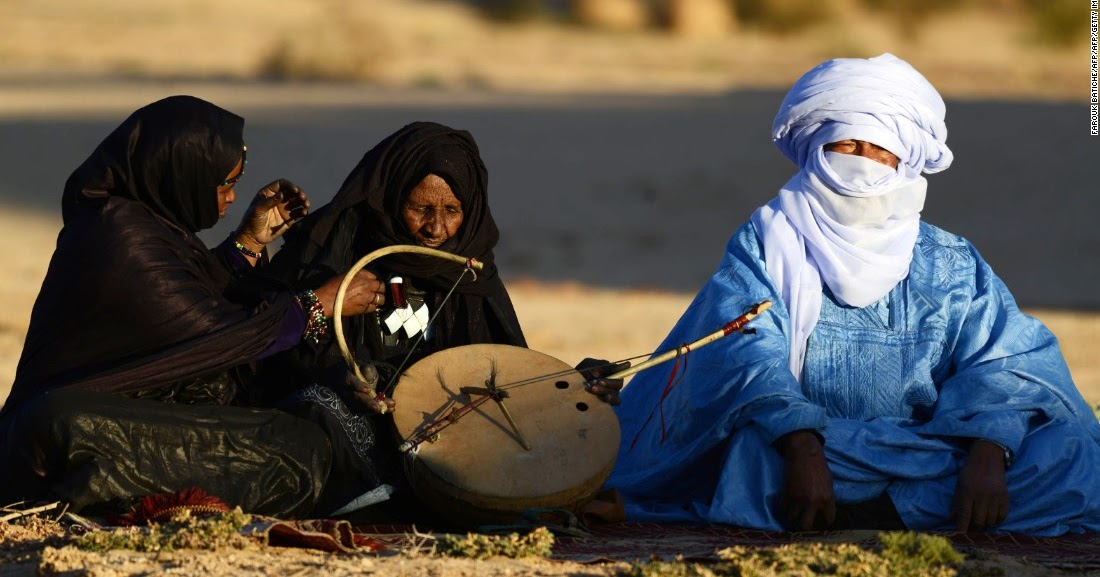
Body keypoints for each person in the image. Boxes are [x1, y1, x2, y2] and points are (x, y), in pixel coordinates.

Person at [607, 54, 1100, 536]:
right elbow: (745, 352)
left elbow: (1005, 360)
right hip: (813, 444)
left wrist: (990, 453)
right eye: (846, 145)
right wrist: (801, 446)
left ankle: (861, 515)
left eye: (879, 149)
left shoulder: (951, 259)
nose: (862, 163)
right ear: (816, 147)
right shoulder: (769, 241)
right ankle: (908, 513)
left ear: (905, 160)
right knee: (750, 454)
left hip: (931, 445)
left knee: (1069, 452)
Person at [0, 95, 386, 519]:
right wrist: (318, 305)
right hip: (62, 436)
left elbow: (182, 306)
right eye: (223, 184)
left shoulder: (137, 225)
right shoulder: (121, 242)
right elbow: (217, 337)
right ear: (179, 174)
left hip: (77, 425)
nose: (233, 197)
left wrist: (249, 243)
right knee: (300, 450)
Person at [263, 121, 624, 519]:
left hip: (442, 438)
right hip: (354, 430)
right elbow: (273, 349)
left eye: (452, 211)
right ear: (391, 196)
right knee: (323, 413)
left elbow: (501, 378)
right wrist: (345, 374)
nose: (436, 228)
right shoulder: (331, 252)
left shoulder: (470, 268)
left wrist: (572, 388)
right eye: (421, 209)